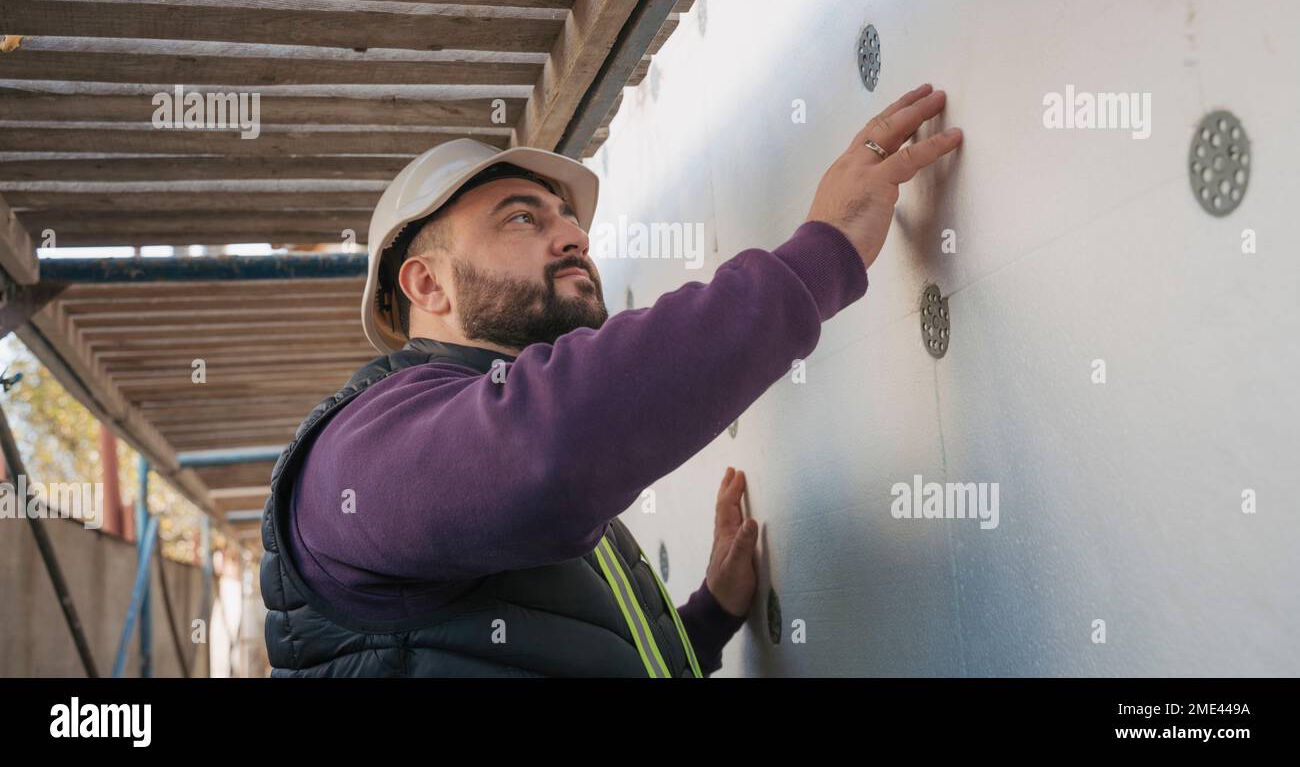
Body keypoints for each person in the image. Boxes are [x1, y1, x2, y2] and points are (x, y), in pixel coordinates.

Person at [260, 84, 962, 676]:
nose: (572, 237)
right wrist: (823, 251)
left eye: (569, 220)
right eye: (522, 218)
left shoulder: (507, 452)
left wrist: (711, 614)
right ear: (427, 284)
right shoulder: (355, 454)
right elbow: (548, 450)